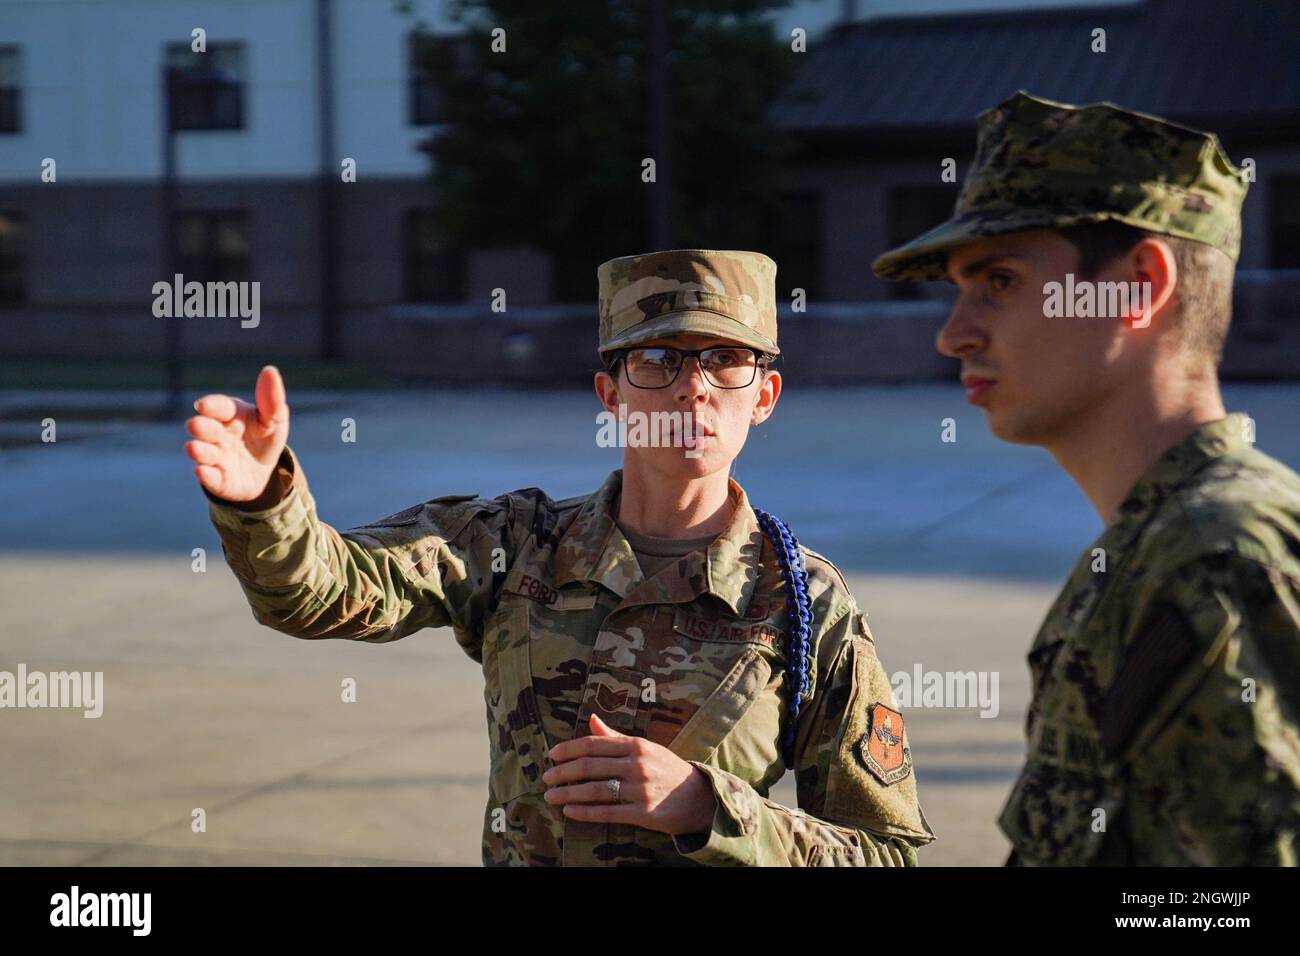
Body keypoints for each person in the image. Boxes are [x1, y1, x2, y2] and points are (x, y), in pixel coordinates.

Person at [187, 248, 935, 866]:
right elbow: (324, 593)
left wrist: (713, 808)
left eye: (724, 361)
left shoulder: (803, 602)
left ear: (763, 395)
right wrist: (264, 503)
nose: (692, 390)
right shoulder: (515, 543)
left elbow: (886, 854)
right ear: (611, 394)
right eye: (657, 360)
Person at [873, 91, 1300, 865]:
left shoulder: (1218, 556)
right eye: (959, 289)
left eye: (999, 281)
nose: (953, 334)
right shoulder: (1152, 545)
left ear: (1137, 286)